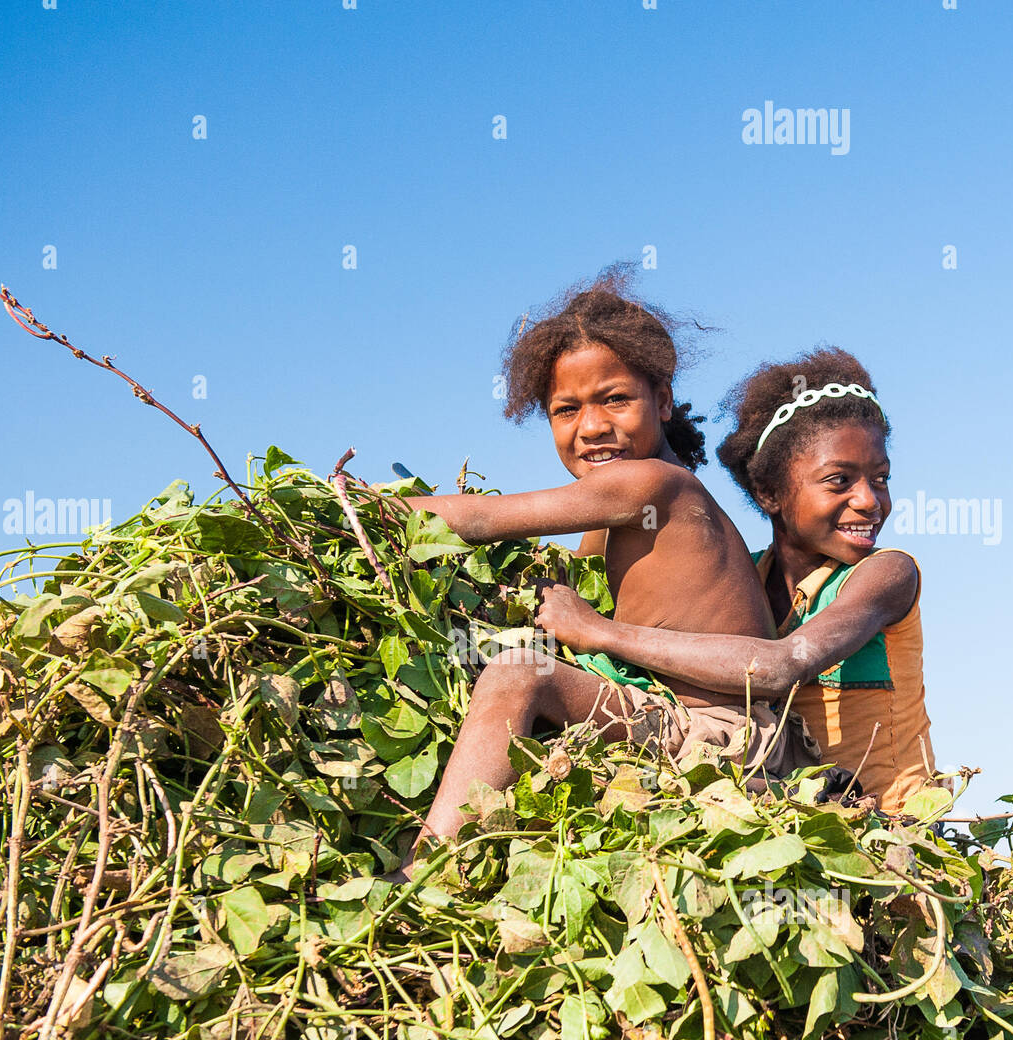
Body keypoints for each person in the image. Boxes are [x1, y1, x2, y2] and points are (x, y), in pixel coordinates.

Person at [393, 272, 812, 874]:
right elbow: (562, 591)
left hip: (721, 738)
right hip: (664, 716)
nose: (590, 426)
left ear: (663, 400)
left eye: (615, 399)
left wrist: (359, 504)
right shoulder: (617, 515)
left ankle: (421, 876)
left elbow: (483, 517)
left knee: (519, 677)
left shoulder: (653, 484)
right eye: (566, 409)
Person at [534, 348, 938, 814]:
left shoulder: (886, 574)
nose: (869, 500)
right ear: (768, 493)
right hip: (790, 806)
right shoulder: (743, 577)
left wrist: (599, 632)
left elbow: (779, 667)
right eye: (840, 480)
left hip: (889, 827)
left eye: (881, 478)